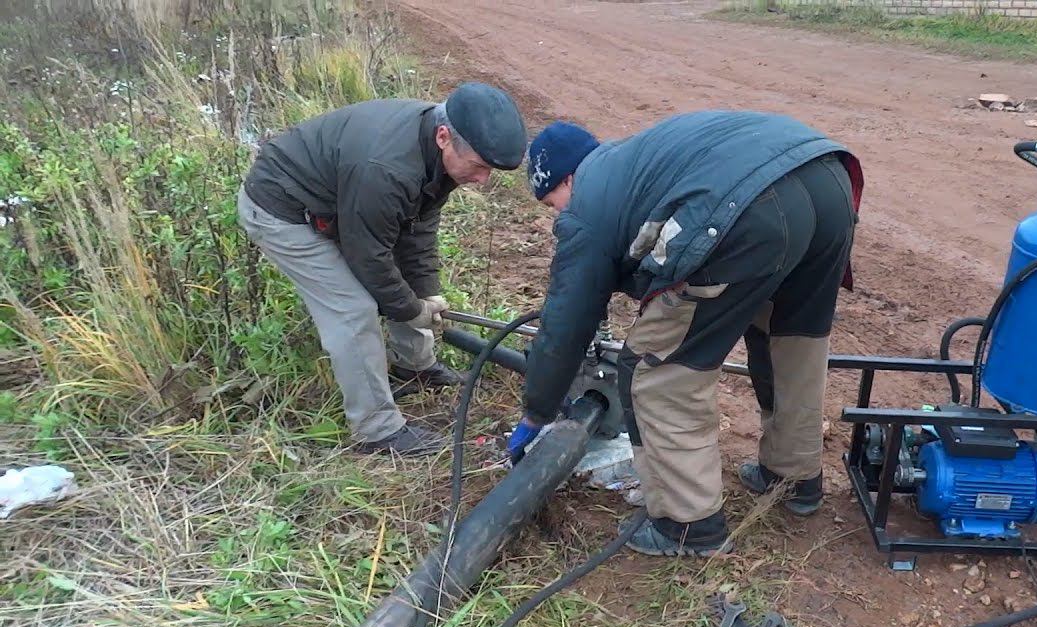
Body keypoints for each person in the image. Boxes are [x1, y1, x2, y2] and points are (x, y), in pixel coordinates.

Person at [509, 112, 863, 556]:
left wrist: (536, 412)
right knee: (789, 340)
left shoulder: (586, 204)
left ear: (564, 180)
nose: (556, 217)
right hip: (825, 176)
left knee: (655, 371)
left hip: (754, 203)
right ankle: (793, 479)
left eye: (550, 204)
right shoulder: (631, 163)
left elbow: (564, 323)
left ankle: (687, 526)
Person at [237, 83, 527, 456]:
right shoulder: (388, 168)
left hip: (344, 203)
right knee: (352, 310)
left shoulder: (438, 144)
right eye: (479, 167)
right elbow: (369, 258)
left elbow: (418, 222)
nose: (483, 180)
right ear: (443, 137)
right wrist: (410, 309)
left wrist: (427, 290)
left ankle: (414, 368)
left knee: (408, 286)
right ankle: (376, 430)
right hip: (283, 210)